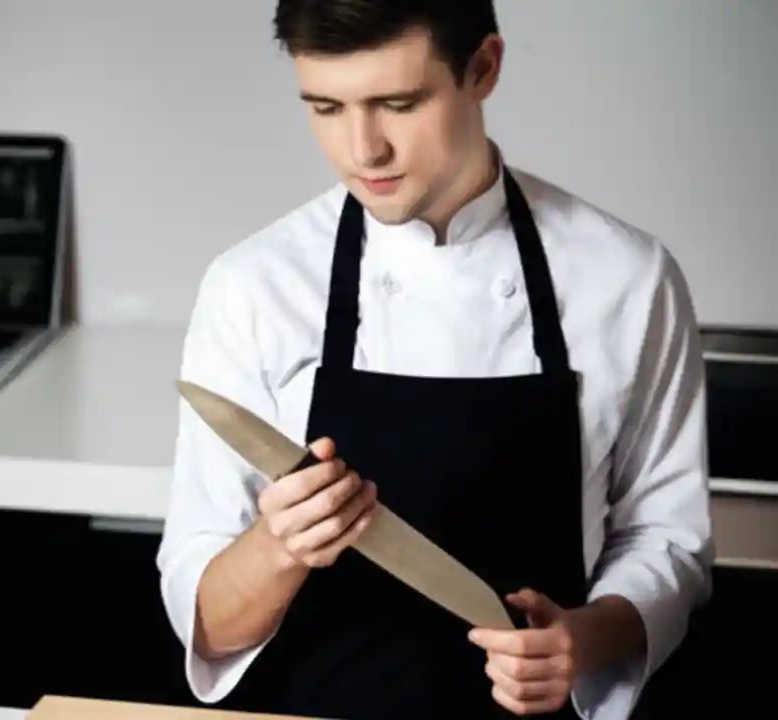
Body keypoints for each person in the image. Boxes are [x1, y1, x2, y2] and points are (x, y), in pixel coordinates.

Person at [154, 1, 714, 718]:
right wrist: (279, 547)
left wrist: (582, 641)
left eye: (398, 103)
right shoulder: (255, 285)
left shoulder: (626, 277)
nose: (364, 150)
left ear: (482, 68)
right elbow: (207, 619)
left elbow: (666, 537)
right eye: (325, 108)